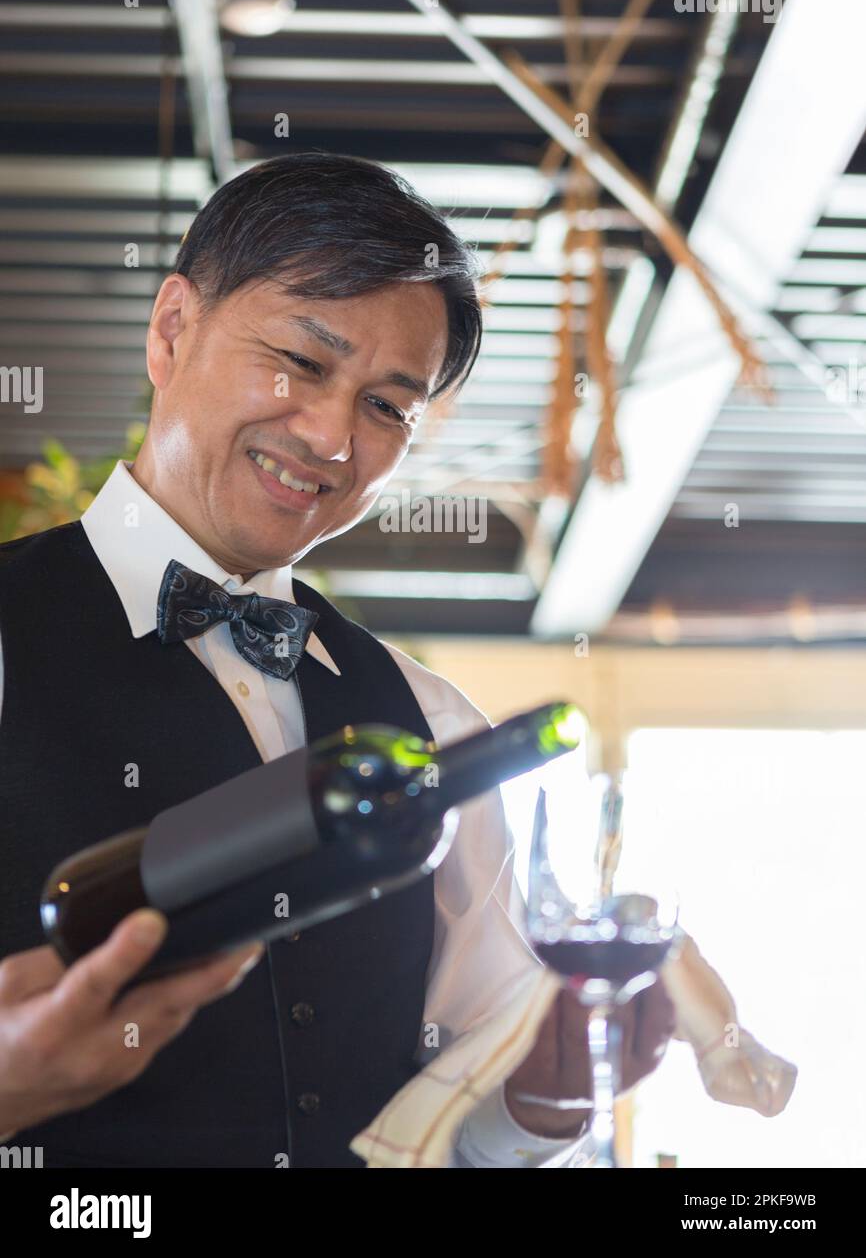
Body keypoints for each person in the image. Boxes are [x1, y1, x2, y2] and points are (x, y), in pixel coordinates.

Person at [0, 152, 674, 1168]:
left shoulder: (431, 719)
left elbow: (449, 1125)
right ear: (173, 327)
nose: (329, 436)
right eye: (304, 363)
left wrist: (546, 1101)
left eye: (387, 406)